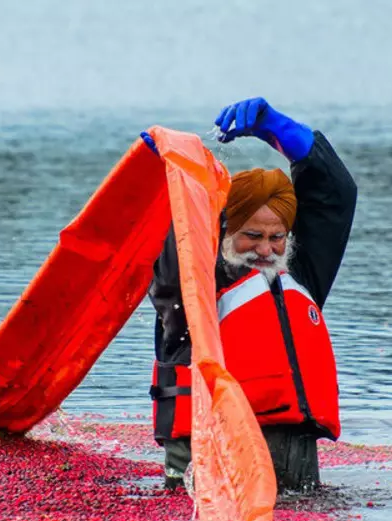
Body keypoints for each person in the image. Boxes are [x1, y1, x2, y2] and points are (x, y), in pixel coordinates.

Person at [149, 97, 357, 492]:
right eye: (252, 235)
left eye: (276, 237)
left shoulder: (301, 277)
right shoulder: (194, 281)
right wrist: (187, 171)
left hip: (294, 461)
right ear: (223, 230)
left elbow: (335, 197)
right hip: (205, 463)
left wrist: (280, 130)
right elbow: (180, 239)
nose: (266, 250)